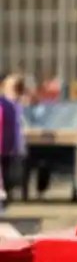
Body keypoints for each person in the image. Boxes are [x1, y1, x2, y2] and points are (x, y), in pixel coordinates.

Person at [0, 74, 26, 205]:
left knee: (13, 177)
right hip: (4, 145)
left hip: (14, 147)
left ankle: (6, 196)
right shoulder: (3, 104)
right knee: (6, 177)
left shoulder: (19, 105)